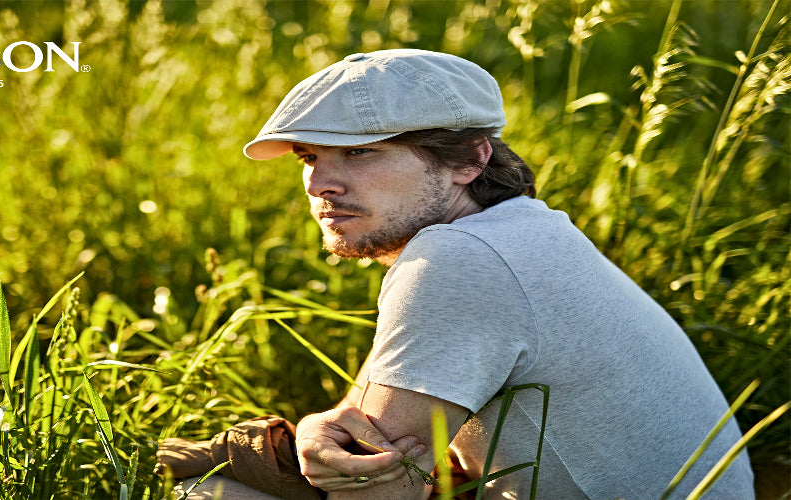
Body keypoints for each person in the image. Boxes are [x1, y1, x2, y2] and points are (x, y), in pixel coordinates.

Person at [177, 49, 754, 499]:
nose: (318, 184)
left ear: (468, 160)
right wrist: (318, 430)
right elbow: (363, 425)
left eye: (359, 153)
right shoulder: (522, 230)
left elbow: (377, 484)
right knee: (216, 461)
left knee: (191, 486)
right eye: (309, 156)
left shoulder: (460, 259)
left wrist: (341, 458)